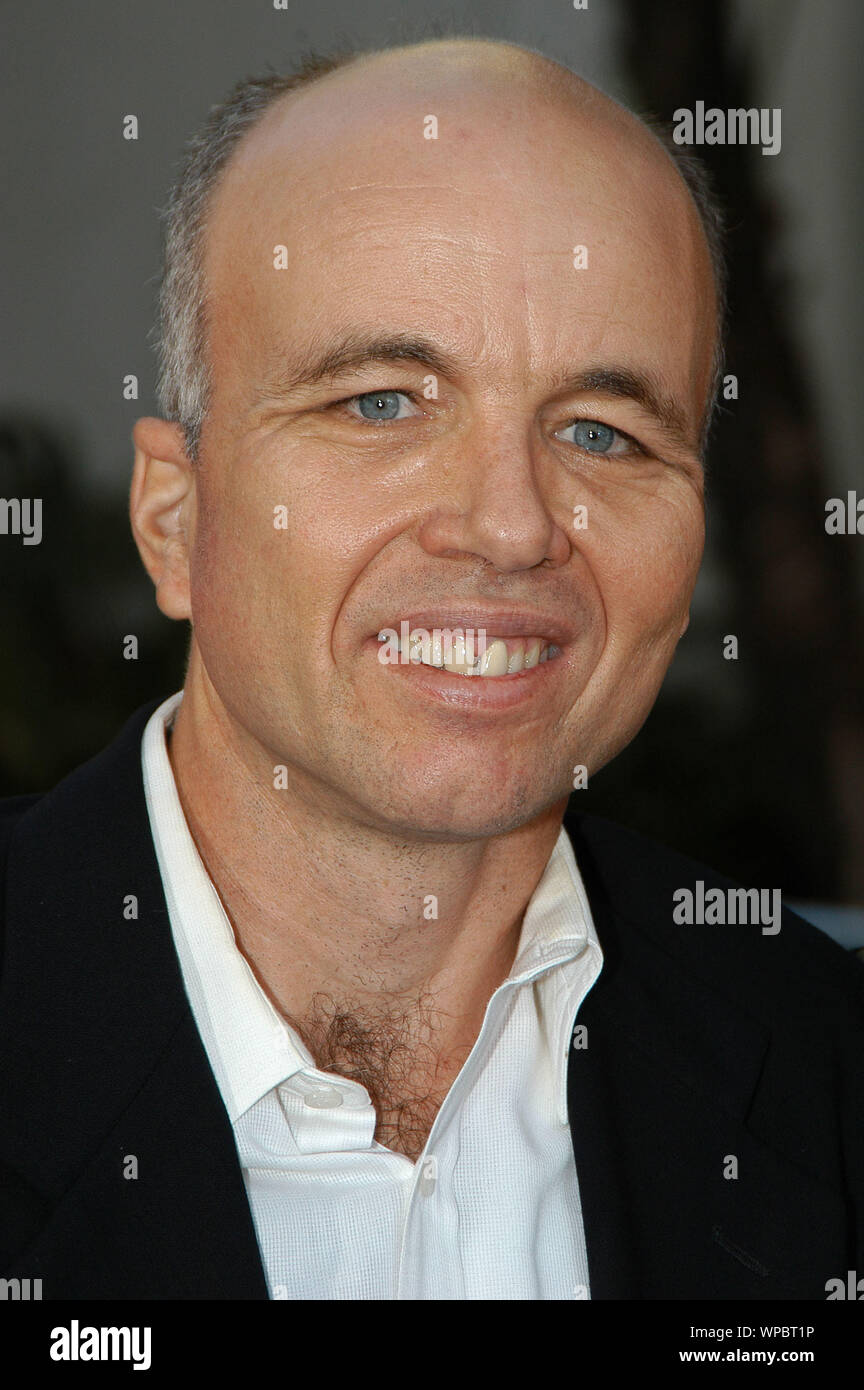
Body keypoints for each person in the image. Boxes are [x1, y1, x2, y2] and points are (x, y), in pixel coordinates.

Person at [1, 36, 861, 1302]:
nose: (512, 524)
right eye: (383, 403)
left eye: (601, 431)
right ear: (176, 521)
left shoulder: (826, 1066)